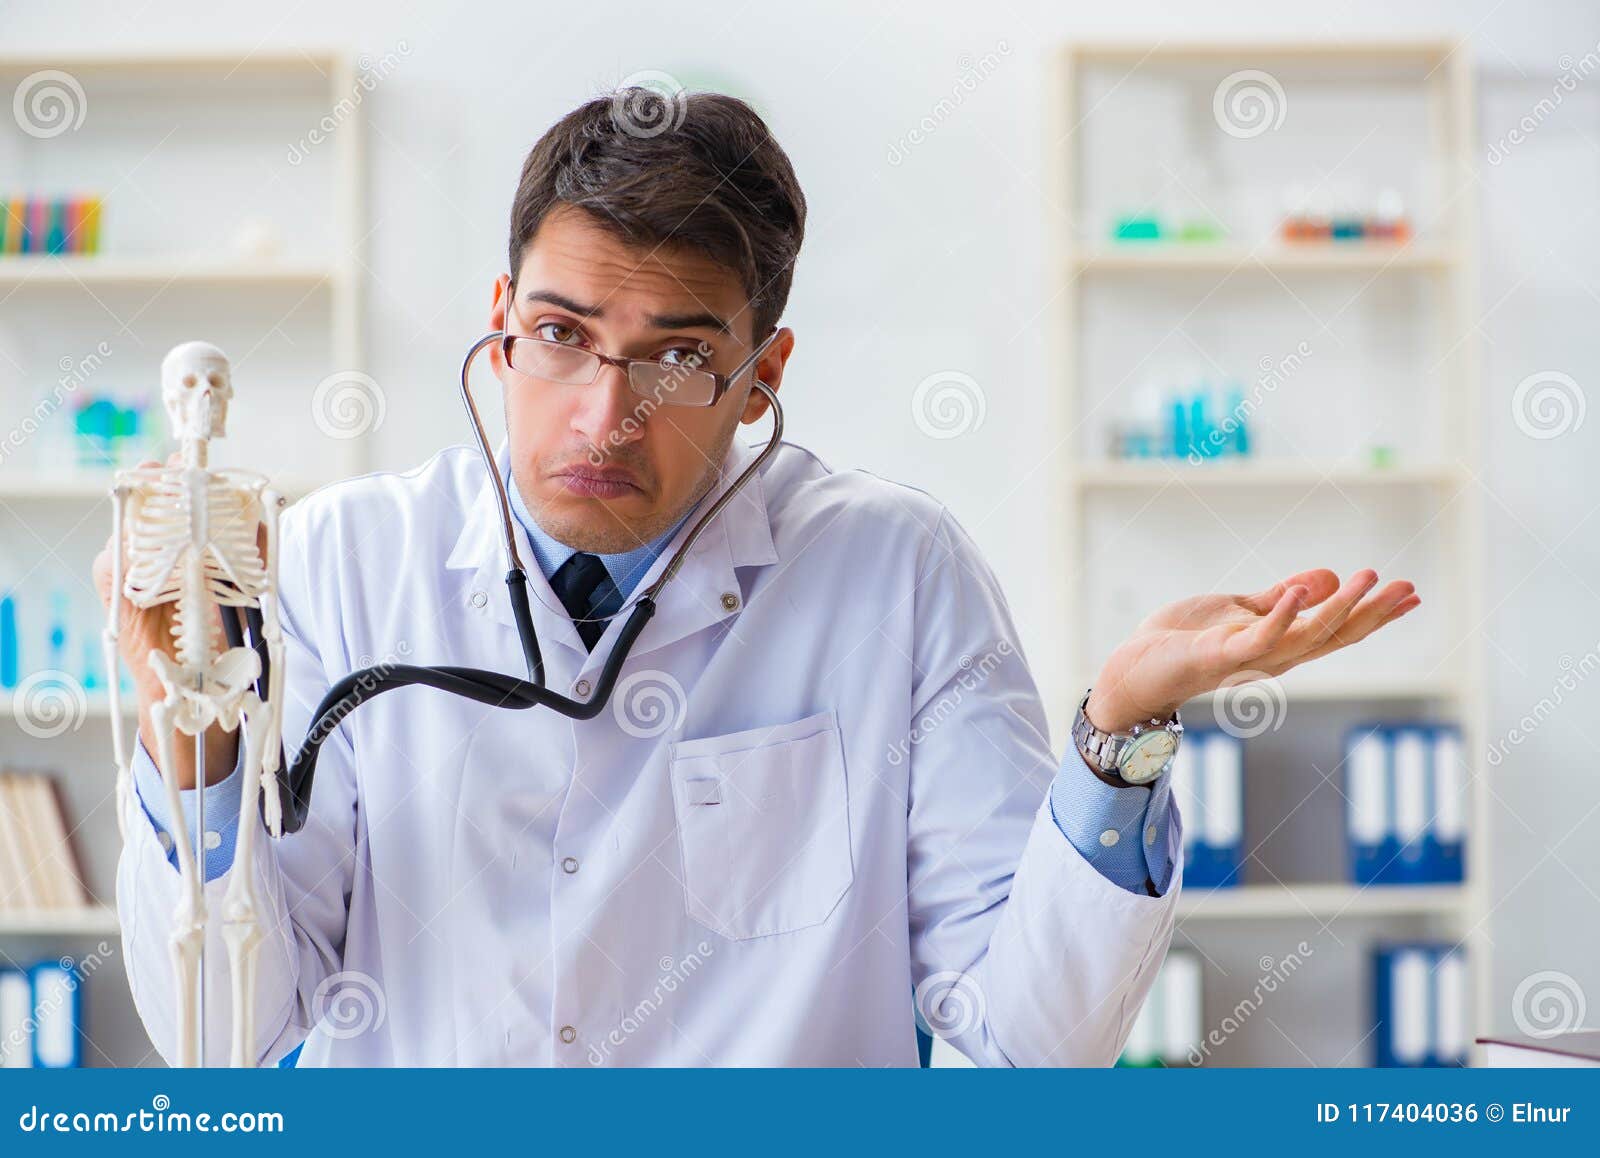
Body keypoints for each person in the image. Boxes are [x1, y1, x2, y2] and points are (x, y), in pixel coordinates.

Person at [95, 89, 1419, 1067]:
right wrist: (191, 746)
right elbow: (232, 1048)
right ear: (500, 328)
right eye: (561, 336)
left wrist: (1116, 739)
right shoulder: (341, 562)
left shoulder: (897, 572)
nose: (602, 415)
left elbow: (1018, 1053)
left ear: (762, 374)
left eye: (675, 356)